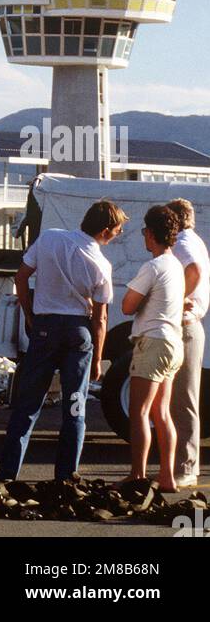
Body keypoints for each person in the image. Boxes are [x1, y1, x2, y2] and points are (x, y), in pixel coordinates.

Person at [0, 198, 126, 483]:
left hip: (44, 328)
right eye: (117, 230)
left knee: (28, 405)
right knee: (75, 406)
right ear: (105, 230)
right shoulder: (101, 265)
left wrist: (30, 316)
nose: (118, 235)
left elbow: (21, 277)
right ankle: (66, 475)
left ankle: (7, 474)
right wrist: (98, 359)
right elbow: (100, 319)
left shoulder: (50, 237)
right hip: (78, 333)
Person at [122, 205, 185, 491]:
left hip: (153, 342)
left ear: (150, 234)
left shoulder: (153, 266)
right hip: (174, 342)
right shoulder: (175, 266)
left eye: (145, 232)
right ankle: (167, 477)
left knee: (139, 412)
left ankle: (137, 475)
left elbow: (126, 306)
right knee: (162, 412)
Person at [167, 198, 209, 487]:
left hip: (184, 326)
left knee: (182, 400)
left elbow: (192, 271)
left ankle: (185, 466)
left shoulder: (181, 244)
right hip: (194, 325)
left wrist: (178, 298)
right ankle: (184, 464)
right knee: (185, 399)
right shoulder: (195, 241)